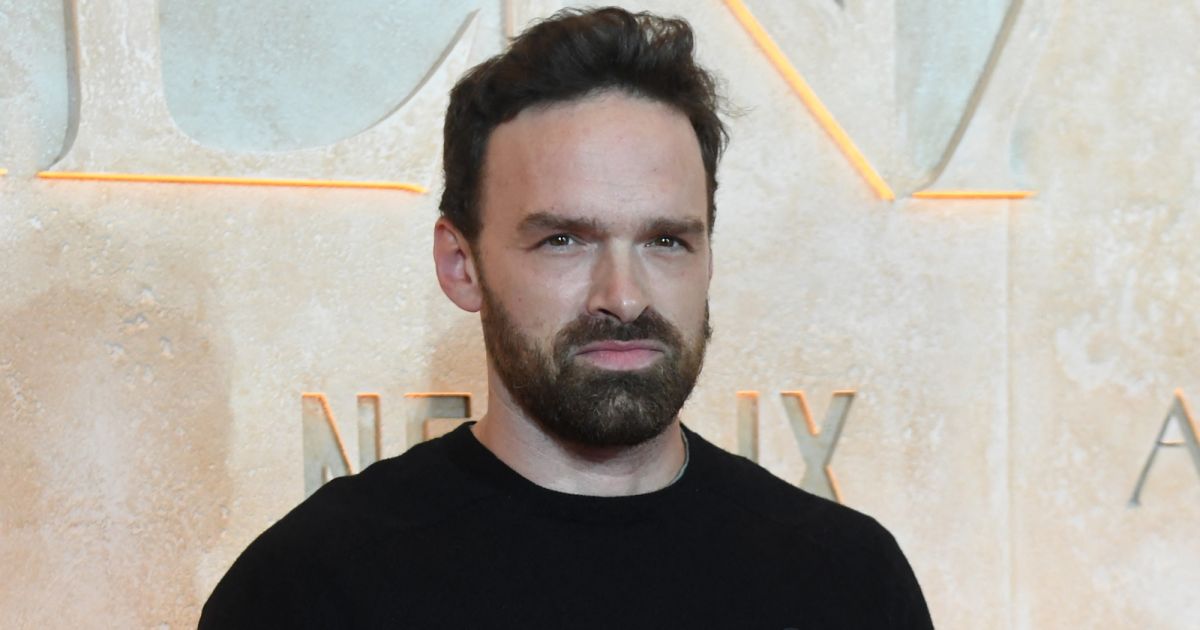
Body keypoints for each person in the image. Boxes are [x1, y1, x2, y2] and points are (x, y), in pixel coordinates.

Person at [200, 7, 934, 628]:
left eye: (666, 240)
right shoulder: (310, 590)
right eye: (563, 240)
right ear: (461, 266)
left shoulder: (847, 583)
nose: (622, 295)